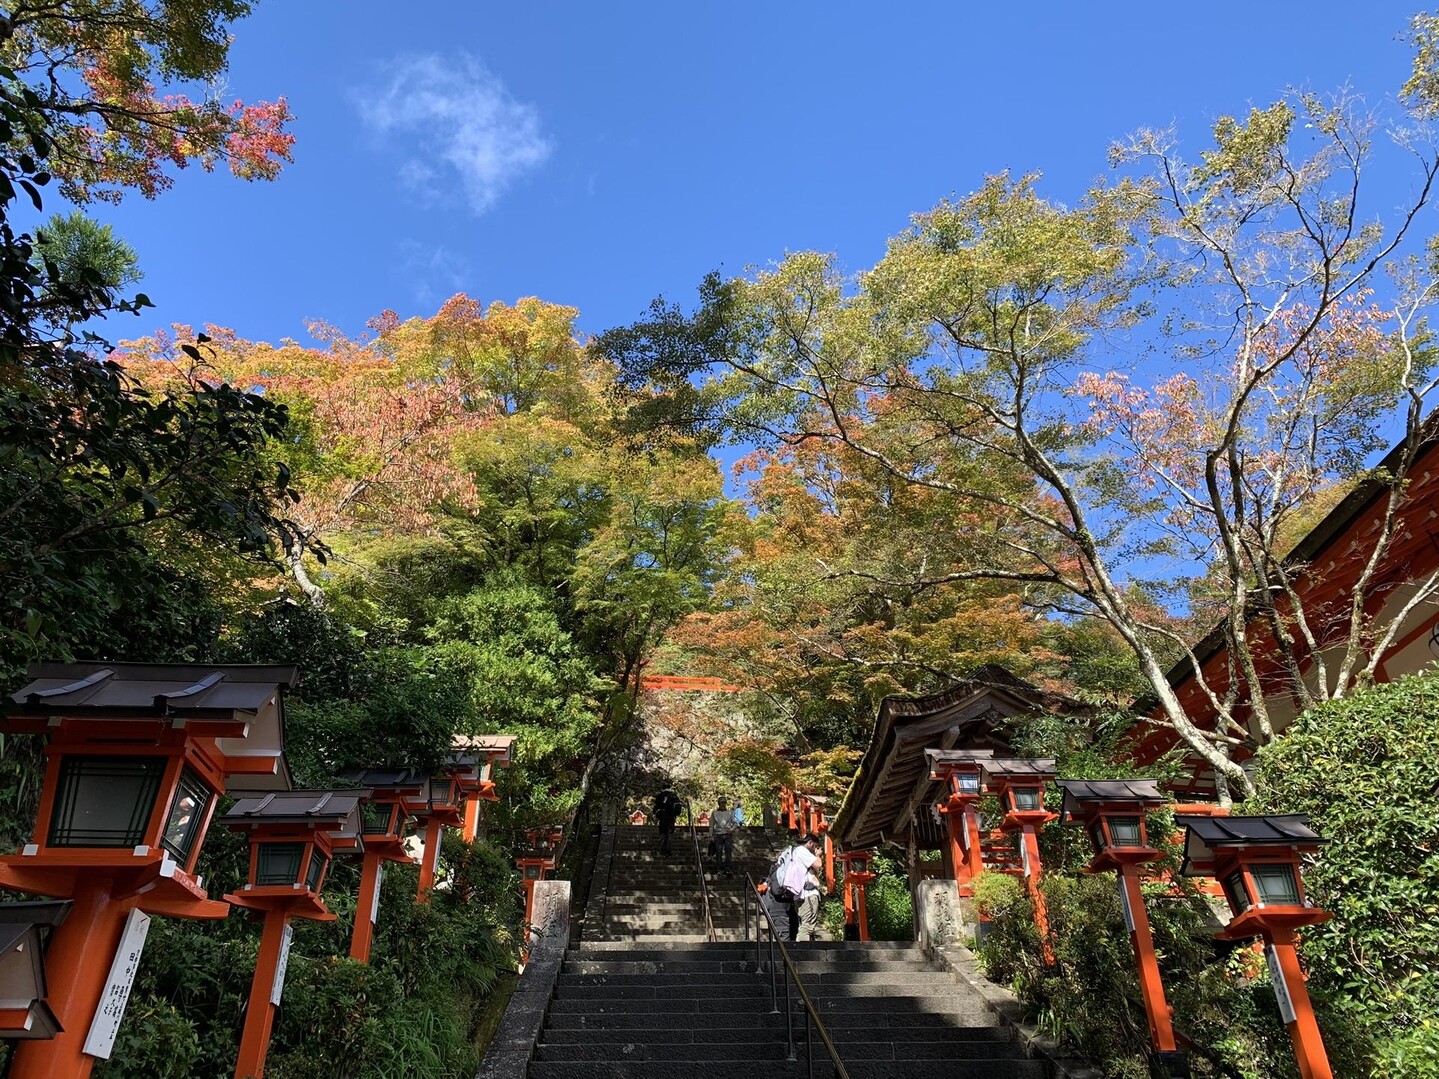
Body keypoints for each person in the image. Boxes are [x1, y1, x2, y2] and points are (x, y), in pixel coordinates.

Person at [762, 833, 821, 942]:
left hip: (798, 895)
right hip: (807, 894)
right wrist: (817, 854)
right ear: (810, 843)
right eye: (815, 846)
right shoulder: (802, 851)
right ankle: (802, 950)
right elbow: (818, 864)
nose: (815, 849)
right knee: (806, 926)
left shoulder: (793, 852)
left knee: (803, 925)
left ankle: (799, 948)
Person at [709, 795, 736, 875]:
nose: (723, 804)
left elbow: (735, 823)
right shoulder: (714, 813)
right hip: (718, 834)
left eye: (724, 802)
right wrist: (711, 835)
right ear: (719, 803)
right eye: (721, 802)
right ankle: (719, 868)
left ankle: (728, 868)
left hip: (727, 834)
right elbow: (711, 825)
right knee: (718, 851)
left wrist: (731, 829)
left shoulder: (730, 813)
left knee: (728, 851)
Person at [653, 785, 683, 855]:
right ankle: (668, 849)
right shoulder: (674, 796)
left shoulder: (661, 795)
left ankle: (661, 849)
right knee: (669, 833)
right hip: (671, 817)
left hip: (663, 817)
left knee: (663, 833)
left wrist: (656, 813)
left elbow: (657, 806)